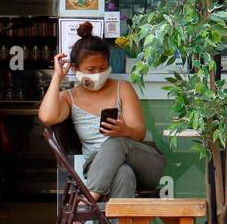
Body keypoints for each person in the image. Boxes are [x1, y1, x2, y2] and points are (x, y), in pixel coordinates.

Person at [38, 22, 165, 201]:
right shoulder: (69, 97)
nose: (97, 74)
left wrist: (125, 131)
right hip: (99, 167)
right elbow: (47, 117)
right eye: (90, 70)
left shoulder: (123, 88)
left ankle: (89, 199)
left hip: (145, 163)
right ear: (75, 69)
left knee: (117, 142)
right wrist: (57, 78)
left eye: (103, 68)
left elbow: (140, 132)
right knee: (123, 173)